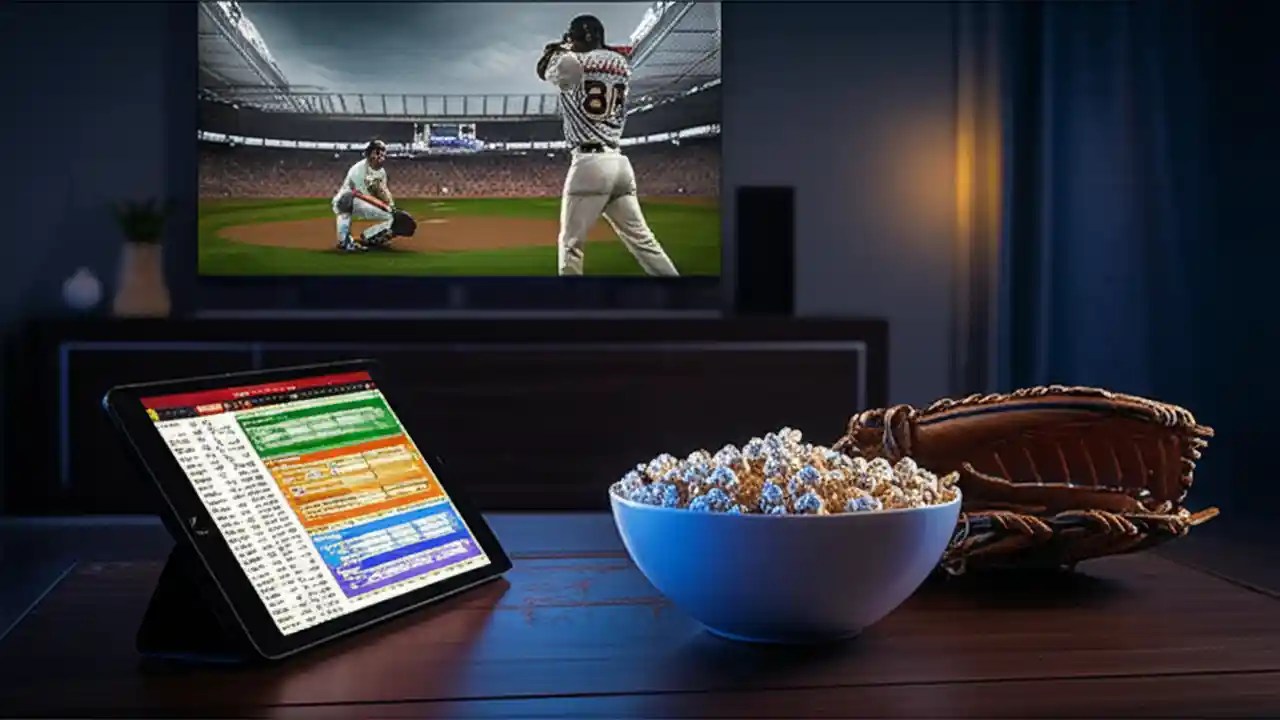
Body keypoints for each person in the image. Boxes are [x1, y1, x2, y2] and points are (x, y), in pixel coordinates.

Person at [537, 14, 678, 276]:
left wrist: (561, 46)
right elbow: (602, 58)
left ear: (576, 38)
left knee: (571, 245)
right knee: (645, 242)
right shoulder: (622, 64)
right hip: (619, 163)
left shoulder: (571, 61)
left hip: (589, 163)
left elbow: (543, 67)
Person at [331, 139, 396, 252]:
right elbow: (363, 195)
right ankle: (344, 242)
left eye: (383, 153)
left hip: (360, 202)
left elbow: (383, 191)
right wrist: (385, 207)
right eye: (378, 152)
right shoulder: (358, 170)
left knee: (392, 218)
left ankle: (369, 237)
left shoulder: (381, 172)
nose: (382, 155)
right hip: (348, 200)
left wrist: (391, 205)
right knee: (346, 202)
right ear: (370, 154)